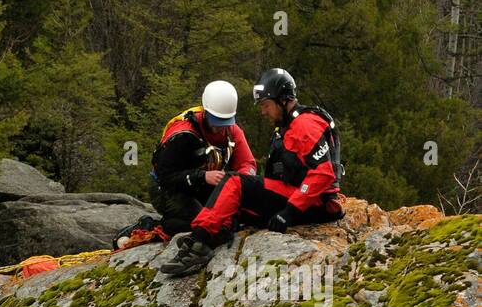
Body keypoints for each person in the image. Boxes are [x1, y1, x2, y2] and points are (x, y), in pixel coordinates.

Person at [161, 68, 344, 276]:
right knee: (228, 204)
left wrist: (289, 212)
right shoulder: (292, 124)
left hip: (311, 203)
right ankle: (200, 234)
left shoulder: (304, 124)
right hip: (302, 198)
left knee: (234, 183)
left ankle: (199, 243)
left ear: (283, 100)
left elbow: (322, 173)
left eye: (266, 105)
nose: (263, 112)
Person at [141, 79, 258, 242]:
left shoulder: (232, 131)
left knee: (231, 219)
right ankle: (150, 226)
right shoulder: (182, 134)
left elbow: (248, 164)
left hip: (201, 185)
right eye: (217, 121)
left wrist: (240, 181)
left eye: (225, 122)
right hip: (166, 188)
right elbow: (165, 176)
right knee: (203, 225)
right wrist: (202, 176)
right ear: (206, 111)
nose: (221, 127)